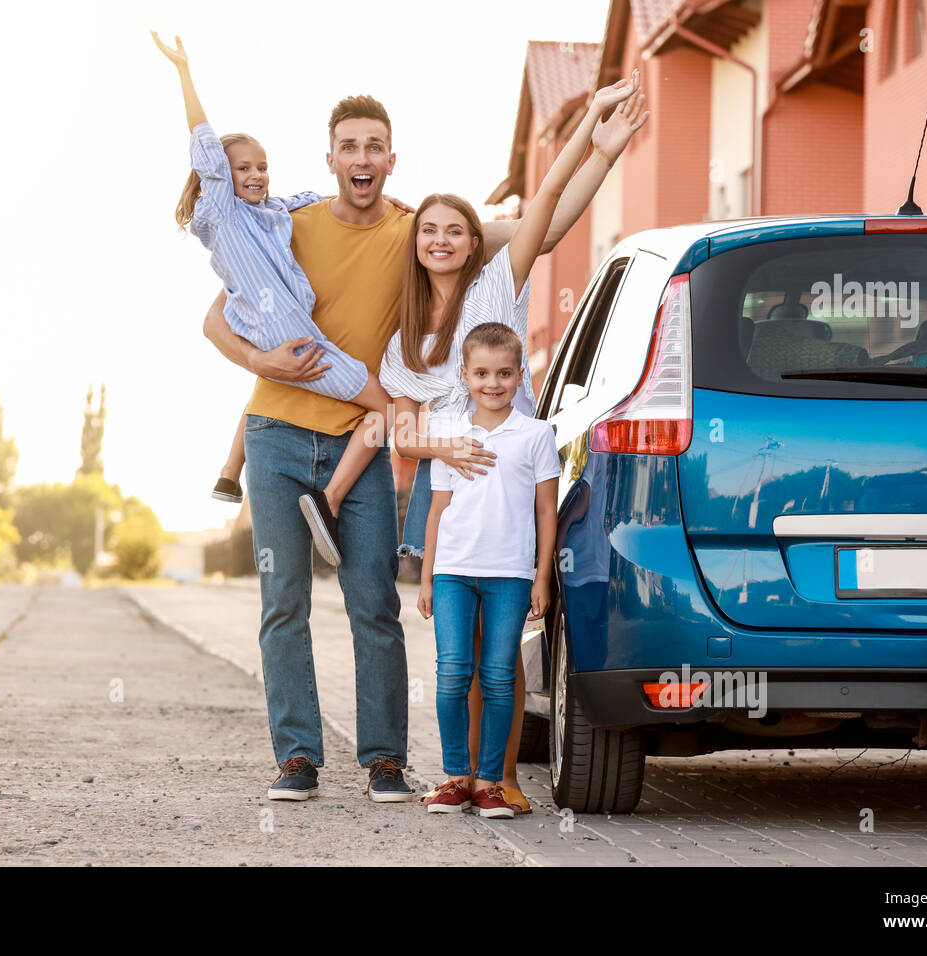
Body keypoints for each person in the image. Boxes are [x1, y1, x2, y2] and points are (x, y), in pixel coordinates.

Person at [197, 74, 640, 806]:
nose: (361, 157)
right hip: (276, 429)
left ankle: (387, 762)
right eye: (349, 147)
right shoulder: (289, 224)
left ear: (391, 159)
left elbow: (544, 225)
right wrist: (257, 360)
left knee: (375, 603)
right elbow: (220, 312)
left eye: (374, 145)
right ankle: (299, 759)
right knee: (284, 602)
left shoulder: (416, 231)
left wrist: (598, 147)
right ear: (331, 157)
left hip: (357, 439)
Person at [383, 75, 648, 812]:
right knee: (456, 662)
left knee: (505, 654)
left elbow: (545, 211)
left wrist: (597, 142)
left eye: (455, 230)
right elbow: (400, 429)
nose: (441, 240)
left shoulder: (498, 284)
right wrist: (445, 447)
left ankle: (498, 777)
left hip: (520, 481)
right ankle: (460, 774)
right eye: (429, 230)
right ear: (416, 243)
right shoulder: (406, 335)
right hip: (446, 496)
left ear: (474, 241)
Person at [152, 31, 398, 566]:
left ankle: (228, 474)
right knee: (387, 407)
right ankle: (328, 503)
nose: (256, 175)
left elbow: (315, 198)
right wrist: (185, 73)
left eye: (262, 166)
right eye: (244, 169)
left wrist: (390, 201)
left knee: (347, 399)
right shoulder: (221, 215)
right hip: (298, 344)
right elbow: (205, 146)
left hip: (287, 336)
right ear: (221, 178)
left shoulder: (273, 217)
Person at [417, 324, 560, 816]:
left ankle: (491, 783)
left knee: (499, 675)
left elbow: (546, 511)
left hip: (511, 575)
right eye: (481, 373)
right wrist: (426, 577)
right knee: (453, 672)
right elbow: (437, 510)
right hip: (453, 571)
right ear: (465, 375)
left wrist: (542, 576)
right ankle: (455, 776)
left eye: (503, 373)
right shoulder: (447, 436)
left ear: (520, 376)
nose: (492, 383)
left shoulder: (537, 434)